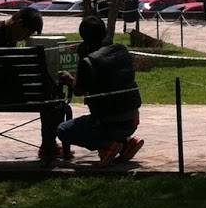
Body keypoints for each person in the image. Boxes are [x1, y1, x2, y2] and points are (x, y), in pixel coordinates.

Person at [0, 5, 63, 162]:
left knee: (50, 96)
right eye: (27, 32)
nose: (26, 38)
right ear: (18, 24)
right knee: (51, 100)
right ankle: (48, 146)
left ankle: (49, 145)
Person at [58, 15, 143, 166]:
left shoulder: (89, 61)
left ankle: (106, 146)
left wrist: (69, 76)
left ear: (83, 36)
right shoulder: (121, 50)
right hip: (132, 120)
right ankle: (127, 142)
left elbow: (78, 90)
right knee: (104, 120)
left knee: (63, 130)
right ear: (104, 32)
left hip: (107, 124)